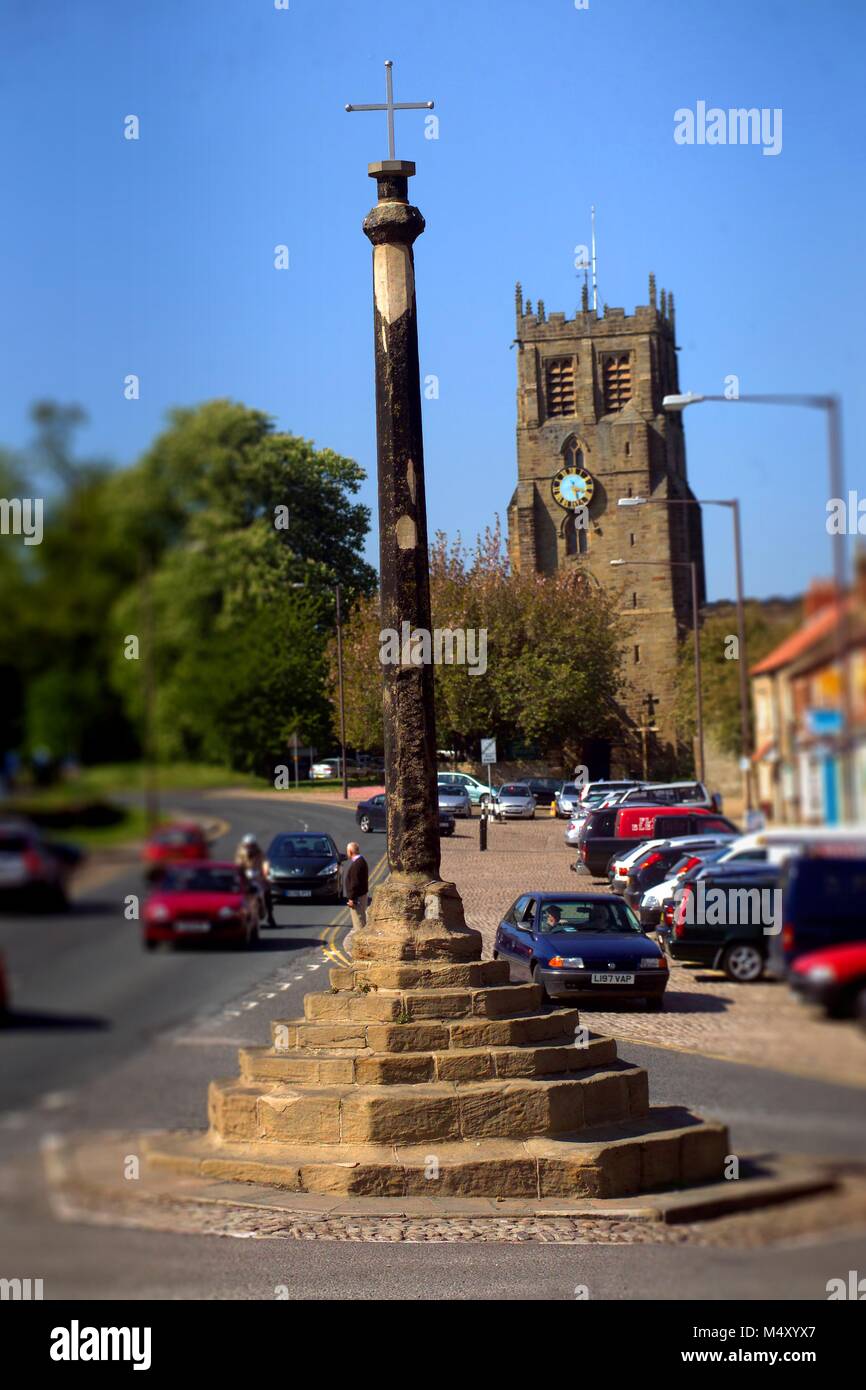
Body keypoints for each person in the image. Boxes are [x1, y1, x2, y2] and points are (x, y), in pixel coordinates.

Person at [234, 832, 275, 927]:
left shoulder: (259, 852)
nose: (250, 847)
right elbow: (238, 864)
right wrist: (240, 871)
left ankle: (270, 915)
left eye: (251, 845)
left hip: (257, 876)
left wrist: (266, 872)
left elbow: (265, 862)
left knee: (267, 891)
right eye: (248, 845)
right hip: (245, 877)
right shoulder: (241, 853)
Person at [343, 841, 369, 954]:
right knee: (361, 921)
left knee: (359, 924)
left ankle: (362, 950)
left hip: (357, 898)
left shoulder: (357, 864)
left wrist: (352, 899)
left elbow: (354, 884)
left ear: (350, 851)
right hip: (361, 896)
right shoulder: (361, 861)